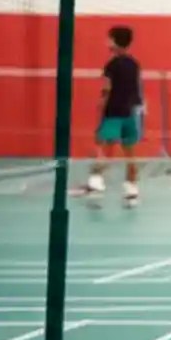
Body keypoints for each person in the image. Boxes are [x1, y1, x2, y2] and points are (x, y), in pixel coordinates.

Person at [72, 25, 143, 207]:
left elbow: (106, 90)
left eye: (109, 38)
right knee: (130, 153)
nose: (106, 41)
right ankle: (132, 190)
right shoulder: (134, 64)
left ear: (115, 41)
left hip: (113, 112)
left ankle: (96, 184)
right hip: (130, 113)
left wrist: (100, 109)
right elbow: (136, 89)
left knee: (103, 148)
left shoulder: (111, 65)